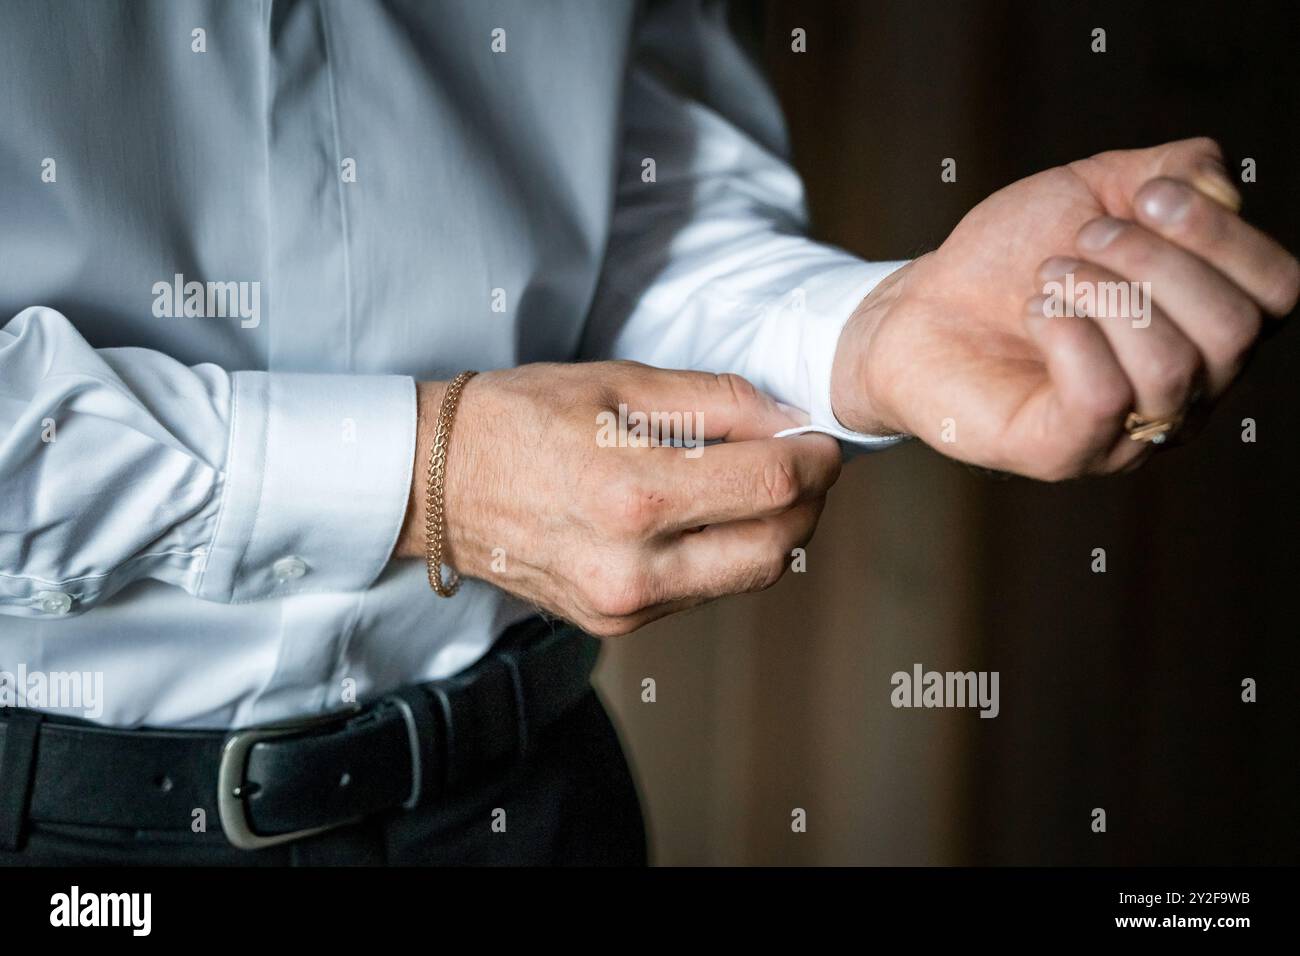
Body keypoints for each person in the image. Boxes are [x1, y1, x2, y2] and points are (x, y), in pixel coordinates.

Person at [0, 0, 1294, 866]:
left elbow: (644, 193)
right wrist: (426, 479)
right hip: (64, 831)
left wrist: (867, 330)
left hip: (539, 798)